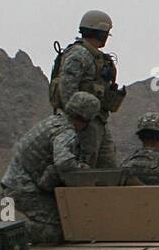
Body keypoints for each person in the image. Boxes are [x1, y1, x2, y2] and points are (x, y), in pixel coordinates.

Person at [1, 92, 101, 244]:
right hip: (25, 188)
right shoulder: (66, 132)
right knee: (62, 230)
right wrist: (81, 169)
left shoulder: (53, 122)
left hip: (18, 184)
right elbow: (64, 163)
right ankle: (8, 232)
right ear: (85, 120)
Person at [48, 9, 124, 168]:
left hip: (97, 120)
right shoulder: (79, 55)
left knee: (108, 167)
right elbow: (67, 89)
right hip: (84, 122)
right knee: (85, 167)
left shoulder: (97, 57)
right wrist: (78, 120)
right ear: (101, 32)